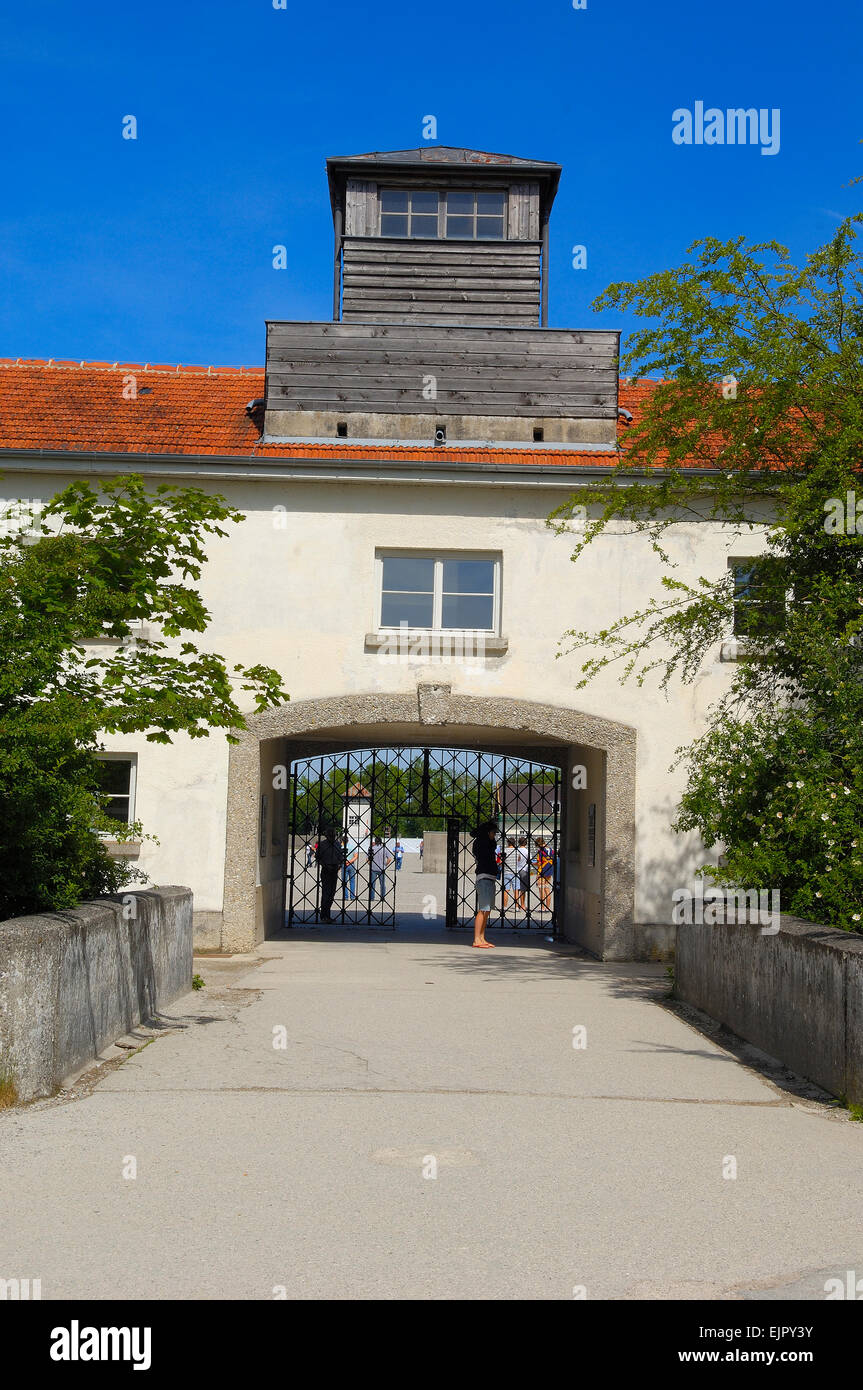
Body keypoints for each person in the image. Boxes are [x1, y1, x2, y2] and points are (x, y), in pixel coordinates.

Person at [471, 821, 499, 948]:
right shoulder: (482, 844)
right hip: (484, 878)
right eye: (493, 833)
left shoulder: (486, 844)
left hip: (489, 878)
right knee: (483, 910)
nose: (495, 835)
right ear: (487, 833)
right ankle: (477, 939)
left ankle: (481, 937)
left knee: (486, 910)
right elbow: (485, 858)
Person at [315, 827, 343, 923]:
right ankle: (324, 915)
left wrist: (339, 865)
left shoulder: (337, 844)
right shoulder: (323, 845)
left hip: (334, 870)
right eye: (330, 835)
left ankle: (327, 915)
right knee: (326, 893)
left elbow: (340, 857)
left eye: (333, 835)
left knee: (331, 893)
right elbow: (317, 857)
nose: (332, 836)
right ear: (327, 836)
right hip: (326, 870)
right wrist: (325, 865)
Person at [369, 836, 393, 901]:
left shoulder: (372, 848)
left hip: (373, 868)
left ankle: (372, 898)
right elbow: (389, 858)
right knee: (382, 884)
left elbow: (367, 860)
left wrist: (371, 865)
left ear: (375, 841)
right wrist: (385, 865)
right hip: (382, 868)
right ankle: (382, 897)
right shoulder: (384, 849)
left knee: (372, 884)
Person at [534, 838, 554, 912]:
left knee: (541, 889)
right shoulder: (552, 850)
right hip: (549, 872)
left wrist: (532, 863)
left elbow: (539, 863)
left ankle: (542, 907)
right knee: (547, 889)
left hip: (542, 871)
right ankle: (548, 907)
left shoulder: (540, 851)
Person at [501, 837, 520, 909]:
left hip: (506, 872)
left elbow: (501, 861)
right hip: (515, 872)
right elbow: (518, 859)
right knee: (516, 890)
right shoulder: (517, 850)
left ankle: (505, 906)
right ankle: (517, 907)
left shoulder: (504, 850)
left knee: (506, 890)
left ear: (508, 843)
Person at [516, 836, 530, 912]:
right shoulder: (527, 851)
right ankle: (523, 905)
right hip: (524, 870)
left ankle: (516, 905)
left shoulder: (517, 850)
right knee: (523, 889)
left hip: (517, 870)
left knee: (517, 889)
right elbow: (529, 860)